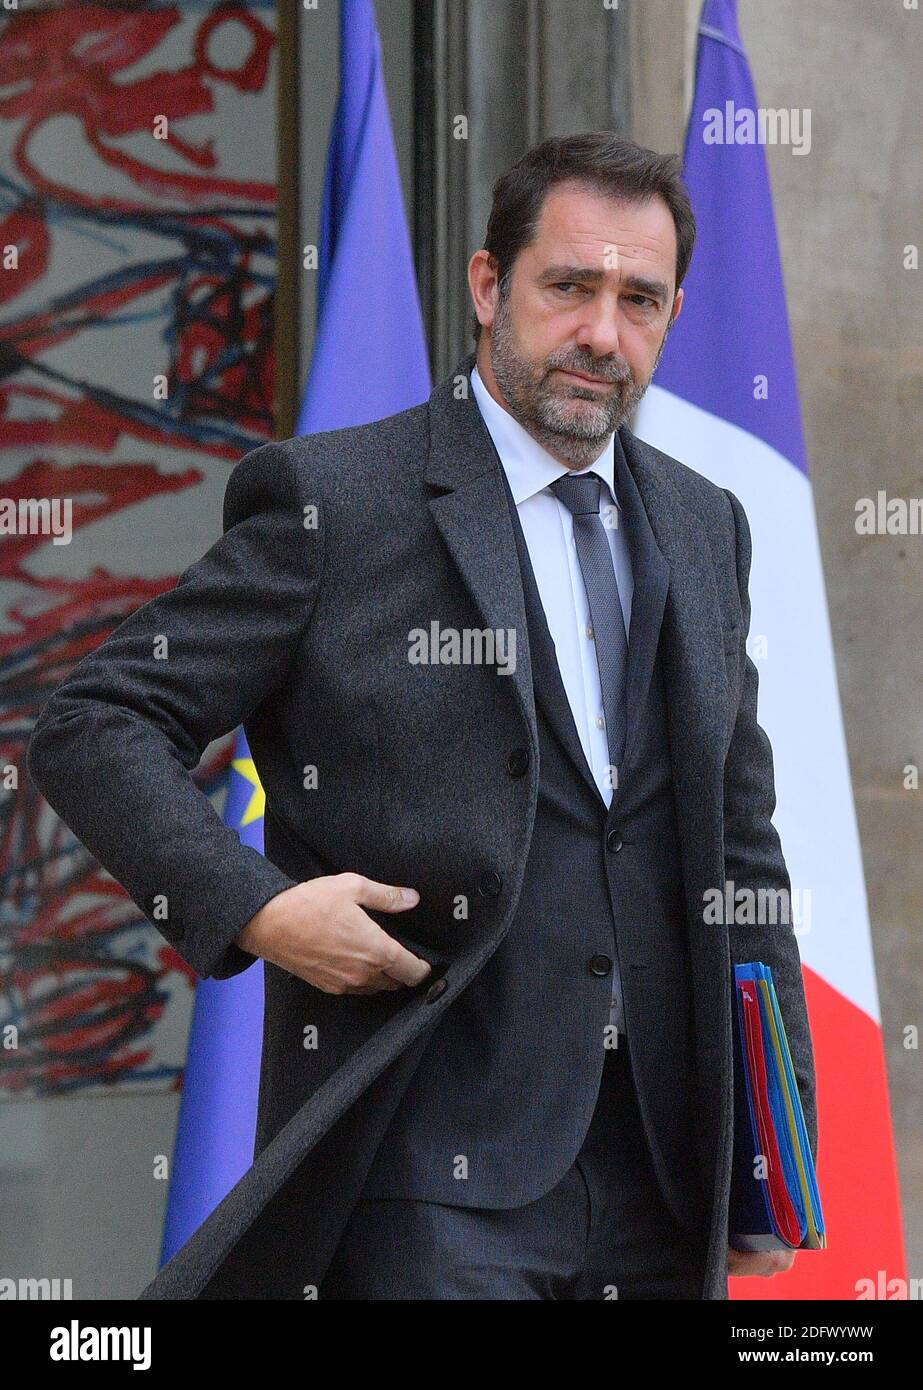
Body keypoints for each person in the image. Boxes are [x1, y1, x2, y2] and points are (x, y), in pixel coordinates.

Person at [27, 131, 817, 1301]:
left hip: (660, 1166)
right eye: (568, 287)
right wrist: (259, 908)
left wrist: (770, 1154)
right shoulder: (333, 502)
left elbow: (740, 843)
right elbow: (95, 720)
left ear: (671, 313)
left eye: (637, 299)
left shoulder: (707, 525)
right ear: (488, 286)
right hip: (426, 1172)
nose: (602, 332)